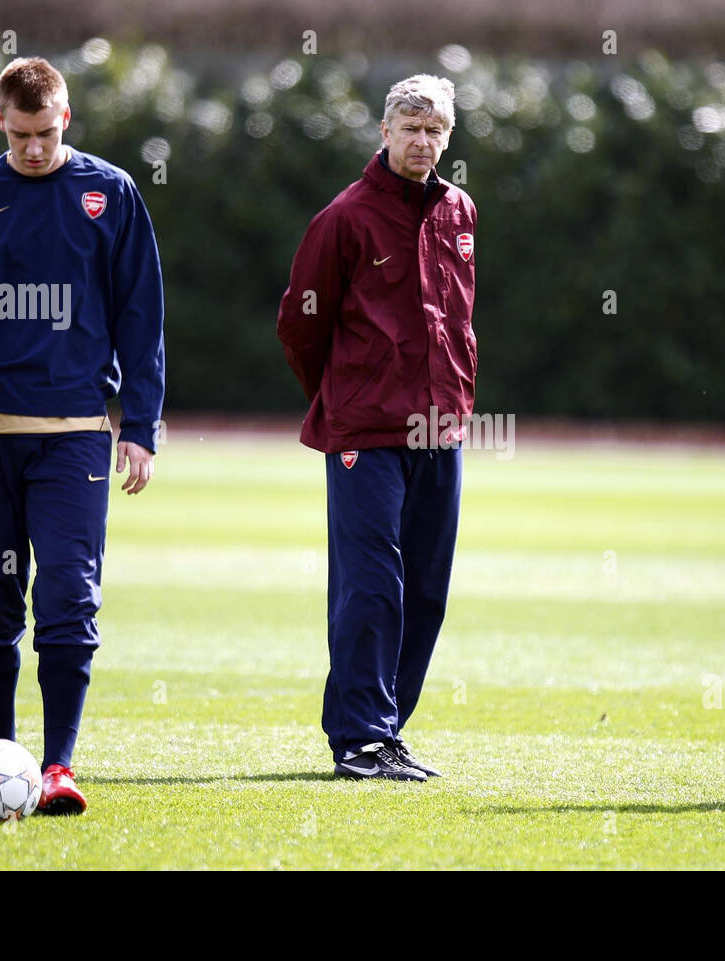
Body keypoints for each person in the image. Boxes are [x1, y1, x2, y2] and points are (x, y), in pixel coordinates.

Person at [0, 56, 165, 814]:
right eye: (21, 133)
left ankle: (58, 766)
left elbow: (140, 317)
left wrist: (142, 426)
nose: (33, 147)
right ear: (1, 121)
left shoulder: (111, 193)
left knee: (66, 598)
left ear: (67, 118)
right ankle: (2, 754)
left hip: (77, 439)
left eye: (47, 132)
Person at [277, 74, 477, 781]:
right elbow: (299, 324)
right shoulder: (345, 217)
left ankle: (386, 732)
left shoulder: (459, 211)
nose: (422, 141)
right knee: (370, 584)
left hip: (439, 430)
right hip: (366, 431)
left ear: (447, 138)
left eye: (434, 131)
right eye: (410, 128)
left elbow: (457, 321)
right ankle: (359, 736)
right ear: (384, 132)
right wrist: (344, 397)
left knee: (425, 587)